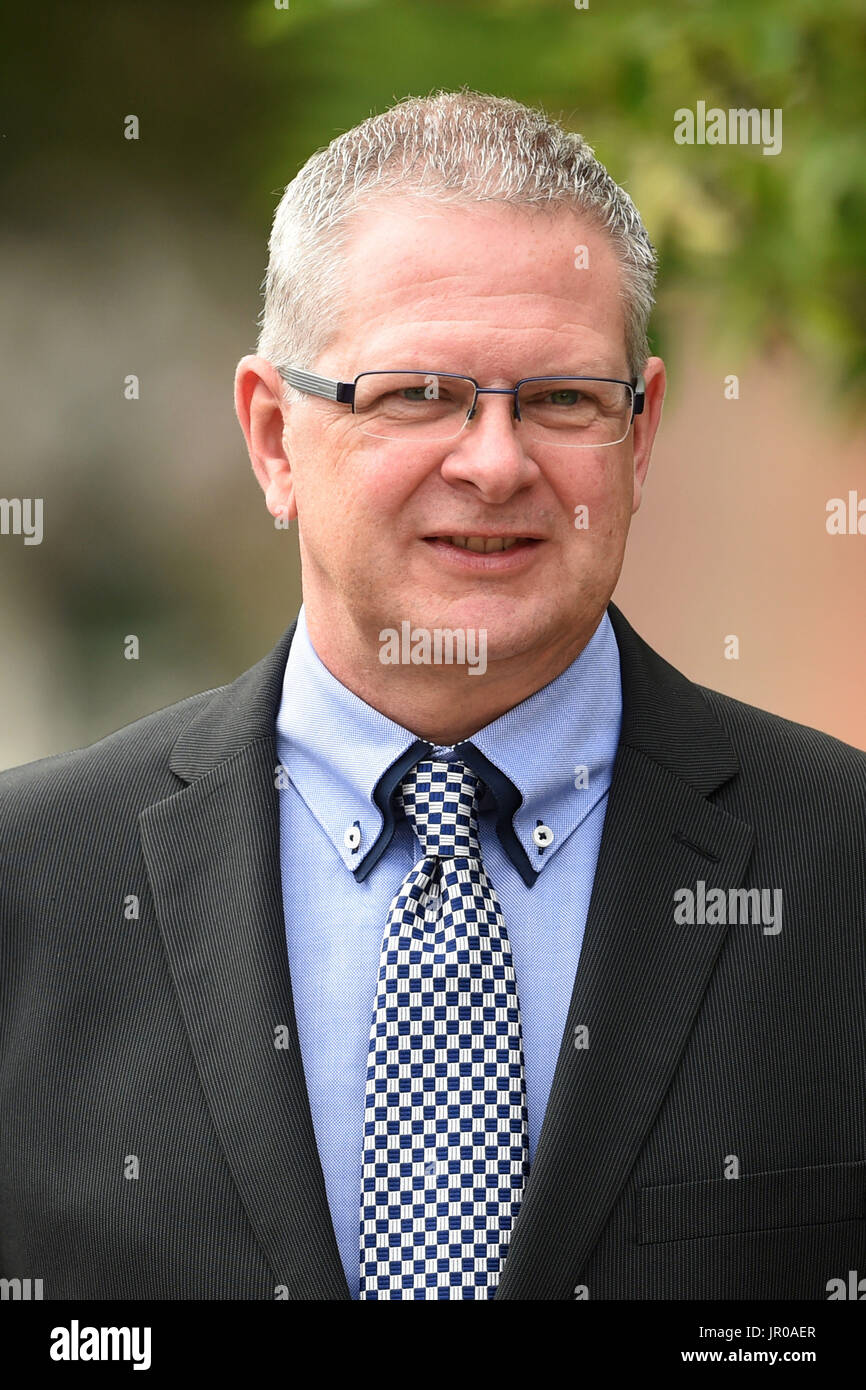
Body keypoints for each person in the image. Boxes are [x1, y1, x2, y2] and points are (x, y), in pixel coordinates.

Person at [1, 90, 864, 1303]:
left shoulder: (840, 862)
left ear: (642, 431)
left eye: (563, 399)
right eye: (417, 393)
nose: (497, 462)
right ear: (271, 437)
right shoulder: (32, 884)